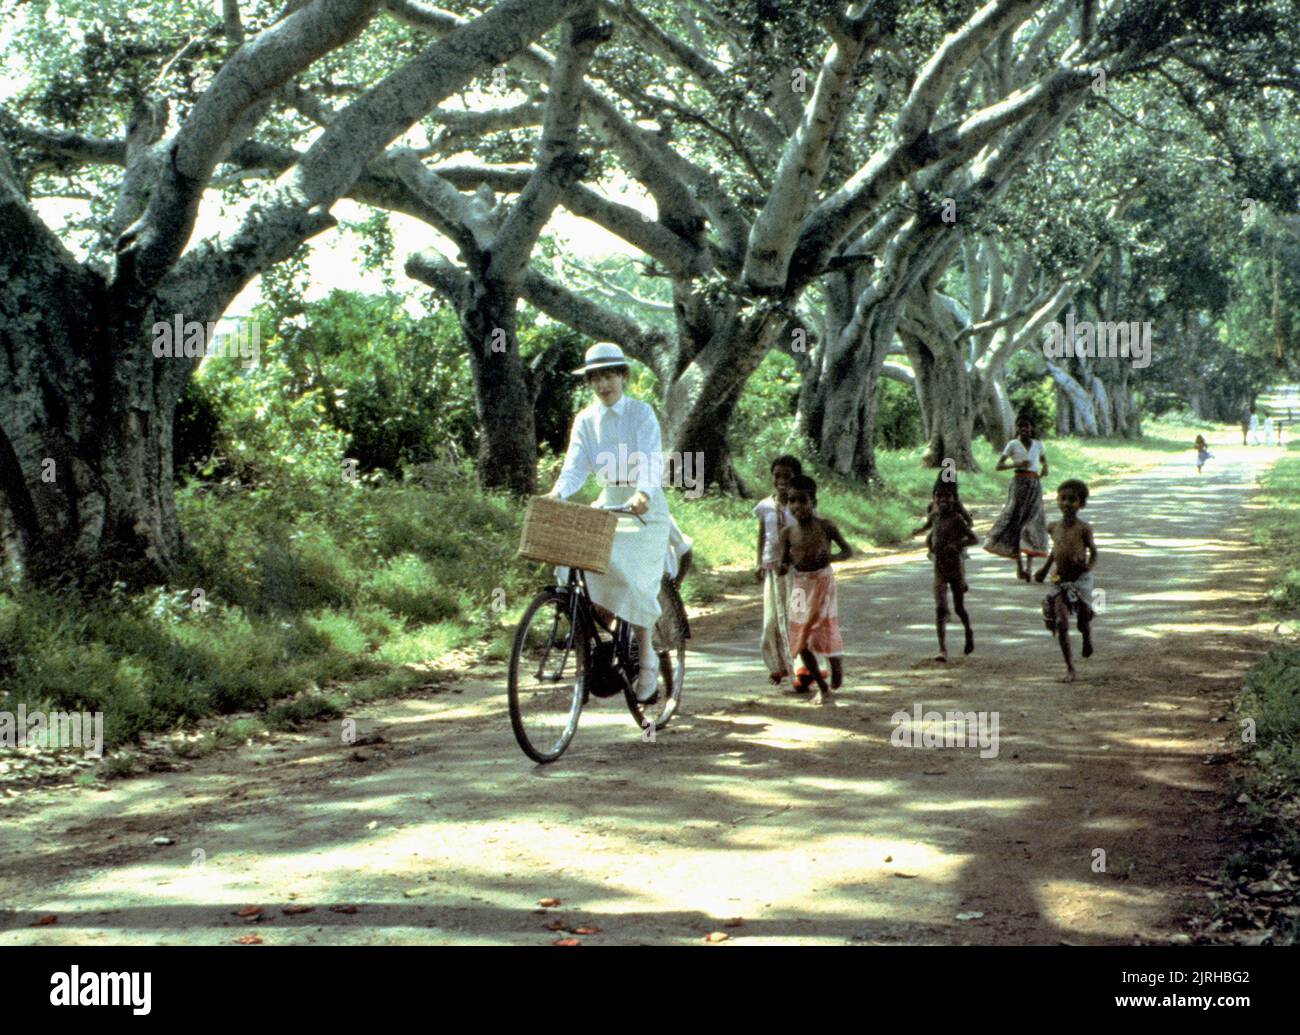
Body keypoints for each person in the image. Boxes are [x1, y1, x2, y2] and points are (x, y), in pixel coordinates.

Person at [546, 342, 671, 702]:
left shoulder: (640, 413)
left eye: (609, 375)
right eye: (596, 378)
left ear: (623, 376)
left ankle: (647, 663)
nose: (603, 385)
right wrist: (558, 494)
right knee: (573, 568)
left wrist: (644, 491)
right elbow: (575, 466)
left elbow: (650, 457)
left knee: (634, 580)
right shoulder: (586, 420)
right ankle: (590, 656)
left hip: (644, 511)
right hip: (608, 505)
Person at [778, 474, 851, 705]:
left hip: (823, 581)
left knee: (822, 627)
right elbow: (784, 564)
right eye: (792, 501)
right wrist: (781, 567)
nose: (797, 506)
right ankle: (822, 686)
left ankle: (836, 664)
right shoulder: (787, 533)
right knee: (799, 636)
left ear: (813, 502)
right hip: (800, 584)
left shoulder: (826, 526)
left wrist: (832, 557)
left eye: (802, 500)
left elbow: (847, 551)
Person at [1034, 479, 1098, 682]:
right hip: (1059, 578)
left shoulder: (1084, 528)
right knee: (1061, 621)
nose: (1067, 503)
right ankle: (1070, 667)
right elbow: (1055, 550)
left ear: (1081, 504)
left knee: (1084, 618)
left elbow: (1093, 551)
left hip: (1080, 578)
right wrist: (1044, 569)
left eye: (1073, 499)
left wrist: (1089, 566)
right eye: (1063, 498)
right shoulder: (1053, 527)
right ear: (1057, 501)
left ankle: (1086, 636)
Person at [984, 413, 1050, 581]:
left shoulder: (1038, 444)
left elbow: (1043, 460)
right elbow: (999, 465)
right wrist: (1016, 464)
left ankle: (1028, 566)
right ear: (1017, 428)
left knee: (1032, 523)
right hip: (1019, 484)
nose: (1024, 429)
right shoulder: (1013, 444)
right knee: (1016, 523)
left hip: (1034, 485)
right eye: (1020, 426)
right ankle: (1019, 566)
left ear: (1031, 428)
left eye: (1026, 426)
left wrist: (1045, 467)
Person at [754, 455, 800, 685]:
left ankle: (800, 669)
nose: (781, 480)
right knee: (771, 620)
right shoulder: (765, 506)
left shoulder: (800, 505)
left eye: (787, 476)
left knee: (794, 618)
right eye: (777, 476)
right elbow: (762, 534)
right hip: (772, 569)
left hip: (795, 570)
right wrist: (758, 562)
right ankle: (777, 666)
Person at [928, 483, 978, 662]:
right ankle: (942, 649)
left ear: (954, 499)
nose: (942, 500)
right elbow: (932, 534)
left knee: (959, 608)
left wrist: (957, 545)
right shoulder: (934, 517)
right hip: (939, 569)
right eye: (939, 497)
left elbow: (973, 538)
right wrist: (930, 547)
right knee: (940, 608)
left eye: (946, 497)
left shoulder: (957, 518)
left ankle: (968, 631)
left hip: (955, 568)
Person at [913, 471, 974, 591]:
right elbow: (930, 524)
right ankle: (943, 582)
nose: (942, 499)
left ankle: (961, 580)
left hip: (954, 538)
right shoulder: (933, 506)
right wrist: (921, 530)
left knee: (959, 559)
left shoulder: (956, 505)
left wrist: (959, 532)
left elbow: (969, 522)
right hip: (939, 539)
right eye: (939, 495)